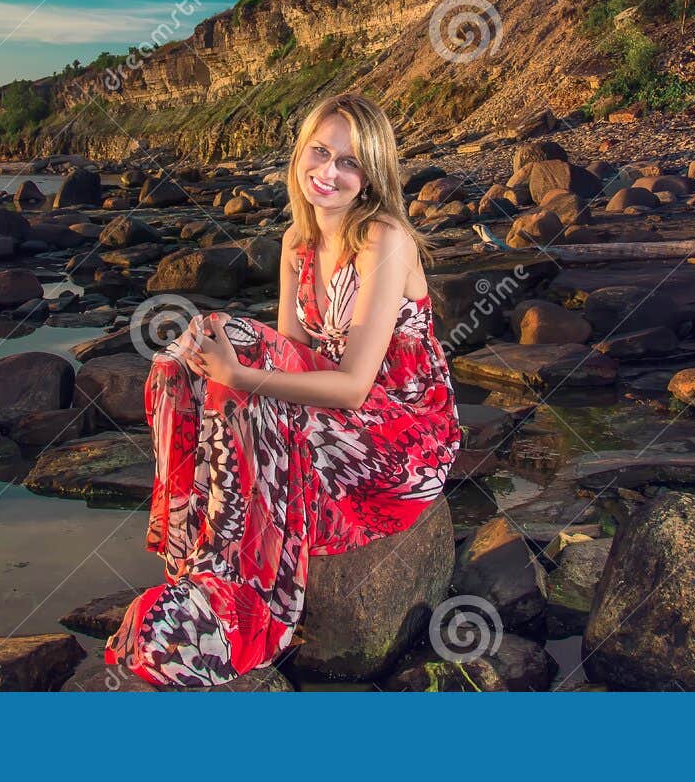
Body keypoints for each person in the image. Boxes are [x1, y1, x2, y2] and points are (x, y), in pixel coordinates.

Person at [103, 92, 461, 687]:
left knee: (237, 358)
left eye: (350, 162)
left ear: (372, 174)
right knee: (181, 358)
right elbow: (290, 354)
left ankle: (242, 591)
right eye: (320, 152)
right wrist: (222, 368)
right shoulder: (298, 243)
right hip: (335, 418)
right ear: (299, 154)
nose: (329, 172)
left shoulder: (385, 239)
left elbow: (353, 385)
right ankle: (196, 549)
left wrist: (239, 376)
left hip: (401, 435)